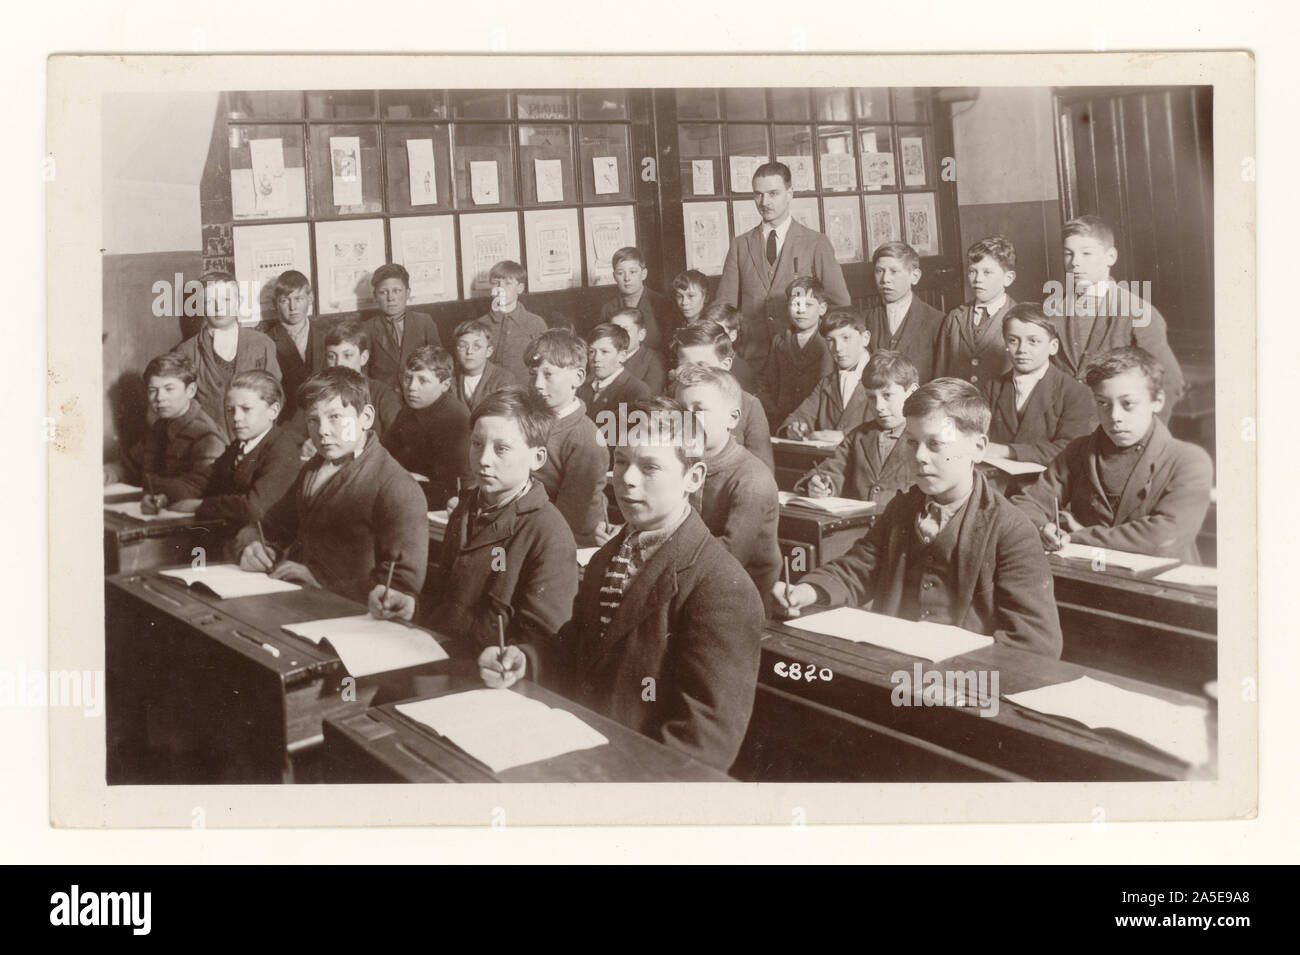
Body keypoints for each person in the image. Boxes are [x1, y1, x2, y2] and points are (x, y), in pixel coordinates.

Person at [494, 396, 764, 773]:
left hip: (636, 777)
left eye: (650, 466)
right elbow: (583, 647)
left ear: (694, 477)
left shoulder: (721, 586)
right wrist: (529, 659)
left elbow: (705, 741)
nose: (627, 479)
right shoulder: (612, 554)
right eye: (621, 462)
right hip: (585, 752)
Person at [774, 377, 1063, 658]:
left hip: (962, 686)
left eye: (935, 445)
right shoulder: (902, 509)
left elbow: (1034, 642)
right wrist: (805, 591)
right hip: (891, 668)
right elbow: (858, 570)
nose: (920, 456)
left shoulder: (1011, 529)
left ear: (977, 448)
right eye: (912, 443)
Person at [399, 388, 578, 672]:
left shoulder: (548, 533)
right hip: (439, 659)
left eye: (501, 449)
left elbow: (544, 643)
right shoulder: (466, 508)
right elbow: (446, 601)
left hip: (491, 681)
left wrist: (514, 661)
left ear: (538, 457)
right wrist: (412, 606)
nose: (483, 460)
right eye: (477, 444)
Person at [233, 367, 428, 606]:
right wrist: (249, 547)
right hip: (298, 602)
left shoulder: (397, 487)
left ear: (366, 417)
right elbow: (270, 526)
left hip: (351, 620)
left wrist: (321, 583)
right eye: (313, 420)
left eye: (335, 417)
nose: (322, 430)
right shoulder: (314, 468)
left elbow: (400, 585)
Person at [1010, 346, 1212, 563]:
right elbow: (1027, 504)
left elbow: (1162, 539)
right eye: (1103, 404)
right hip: (1088, 577)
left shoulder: (1189, 461)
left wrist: (1076, 537)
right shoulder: (1078, 451)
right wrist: (1043, 528)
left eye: (1128, 404)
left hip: (1163, 586)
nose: (1115, 416)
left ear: (1158, 401)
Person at [717, 161, 849, 367]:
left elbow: (839, 304)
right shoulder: (740, 245)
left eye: (773, 193)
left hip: (801, 359)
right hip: (751, 358)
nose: (764, 201)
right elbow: (724, 308)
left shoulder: (815, 242)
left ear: (790, 194)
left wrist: (813, 341)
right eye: (758, 194)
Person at [1051, 215, 1186, 418]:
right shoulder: (1052, 311)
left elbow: (1169, 382)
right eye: (1068, 254)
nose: (1075, 263)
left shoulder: (1138, 312)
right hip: (1062, 428)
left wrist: (1141, 437)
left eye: (1086, 253)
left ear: (1110, 257)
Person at [674, 363, 782, 615]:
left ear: (732, 418)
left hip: (741, 599)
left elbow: (729, 556)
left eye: (699, 409)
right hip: (692, 581)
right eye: (681, 410)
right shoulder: (681, 461)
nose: (687, 419)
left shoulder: (752, 479)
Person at [793, 350, 920, 513]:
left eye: (887, 395)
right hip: (859, 527)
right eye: (871, 397)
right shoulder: (858, 436)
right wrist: (820, 484)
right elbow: (833, 471)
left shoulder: (925, 437)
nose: (879, 406)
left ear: (912, 392)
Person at [175, 371, 303, 525]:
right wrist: (164, 497)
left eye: (246, 409)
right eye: (231, 410)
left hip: (260, 543)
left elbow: (254, 509)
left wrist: (199, 505)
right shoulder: (238, 446)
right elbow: (204, 481)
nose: (236, 417)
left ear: (273, 411)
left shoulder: (283, 450)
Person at [102, 352, 225, 507]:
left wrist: (151, 483)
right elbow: (130, 467)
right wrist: (105, 474)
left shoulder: (207, 437)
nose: (160, 398)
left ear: (191, 390)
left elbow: (197, 490)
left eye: (169, 389)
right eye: (153, 390)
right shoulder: (160, 427)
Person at [524, 328, 609, 547]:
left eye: (548, 374)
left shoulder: (585, 438)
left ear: (578, 377)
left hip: (571, 541)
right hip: (531, 527)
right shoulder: (531, 419)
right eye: (533, 374)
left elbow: (570, 520)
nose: (538, 384)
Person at [173, 270, 280, 442]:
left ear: (239, 302)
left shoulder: (262, 344)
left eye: (226, 300)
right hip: (208, 446)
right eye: (210, 301)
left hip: (257, 444)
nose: (219, 307)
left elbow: (276, 396)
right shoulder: (186, 352)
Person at [982, 303, 1095, 465]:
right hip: (997, 480)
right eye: (1013, 340)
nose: (1022, 349)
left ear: (1053, 347)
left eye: (1033, 341)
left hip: (1048, 483)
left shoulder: (1074, 392)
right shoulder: (993, 387)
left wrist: (1008, 451)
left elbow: (1071, 448)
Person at [671, 321, 774, 470]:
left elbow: (764, 471)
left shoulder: (749, 405)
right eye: (685, 365)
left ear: (725, 366)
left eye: (702, 365)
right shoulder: (667, 401)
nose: (693, 372)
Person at [382, 346, 471, 510]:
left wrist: (397, 477)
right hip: (408, 491)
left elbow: (449, 490)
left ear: (445, 385)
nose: (411, 387)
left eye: (423, 380)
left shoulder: (455, 420)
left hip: (441, 508)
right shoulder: (409, 409)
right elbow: (383, 454)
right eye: (408, 378)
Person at [935, 235, 1017, 388]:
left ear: (1008, 278)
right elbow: (941, 373)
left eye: (987, 272)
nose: (978, 279)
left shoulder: (1019, 319)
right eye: (973, 271)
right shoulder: (955, 317)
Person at [780, 307, 873, 438]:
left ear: (865, 338)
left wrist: (843, 436)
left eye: (846, 337)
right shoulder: (827, 382)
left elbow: (895, 429)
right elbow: (802, 414)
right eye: (830, 340)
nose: (838, 348)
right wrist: (793, 427)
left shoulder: (886, 376)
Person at [862, 242, 944, 384]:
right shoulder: (865, 320)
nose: (885, 279)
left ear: (915, 276)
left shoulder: (937, 322)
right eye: (879, 271)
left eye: (894, 271)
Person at [759, 275, 833, 428]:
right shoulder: (779, 342)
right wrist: (773, 410)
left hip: (818, 421)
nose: (800, 310)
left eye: (808, 304)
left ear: (822, 309)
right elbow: (766, 381)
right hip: (782, 421)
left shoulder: (830, 341)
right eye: (795, 304)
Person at [361, 263, 443, 389]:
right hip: (385, 398)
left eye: (397, 291)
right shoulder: (367, 328)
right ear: (375, 296)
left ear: (408, 293)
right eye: (383, 292)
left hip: (421, 394)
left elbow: (439, 364)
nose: (391, 298)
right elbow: (363, 371)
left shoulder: (424, 322)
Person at [259, 269, 326, 420]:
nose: (293, 307)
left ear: (310, 298)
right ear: (275, 304)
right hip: (286, 422)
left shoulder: (326, 336)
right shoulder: (266, 342)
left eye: (299, 299)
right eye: (285, 300)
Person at [479, 260, 548, 387]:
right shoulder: (480, 325)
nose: (500, 289)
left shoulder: (535, 323)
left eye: (507, 283)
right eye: (495, 283)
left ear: (520, 288)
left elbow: (544, 364)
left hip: (524, 393)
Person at [578, 323, 651, 423]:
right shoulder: (582, 387)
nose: (596, 358)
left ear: (622, 356)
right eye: (591, 351)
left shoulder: (637, 390)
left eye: (604, 352)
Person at [599, 247, 667, 352]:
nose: (627, 278)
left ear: (644, 274)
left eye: (633, 272)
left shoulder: (662, 304)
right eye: (620, 273)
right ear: (614, 276)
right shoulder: (609, 309)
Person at [451, 319, 514, 412]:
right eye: (463, 346)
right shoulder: (450, 376)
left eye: (476, 346)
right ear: (456, 350)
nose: (469, 351)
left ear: (489, 351)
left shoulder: (504, 379)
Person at [609, 307, 668, 395]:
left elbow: (649, 400)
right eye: (614, 331)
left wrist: (621, 409)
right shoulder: (605, 356)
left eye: (625, 330)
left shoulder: (653, 360)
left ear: (641, 335)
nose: (618, 336)